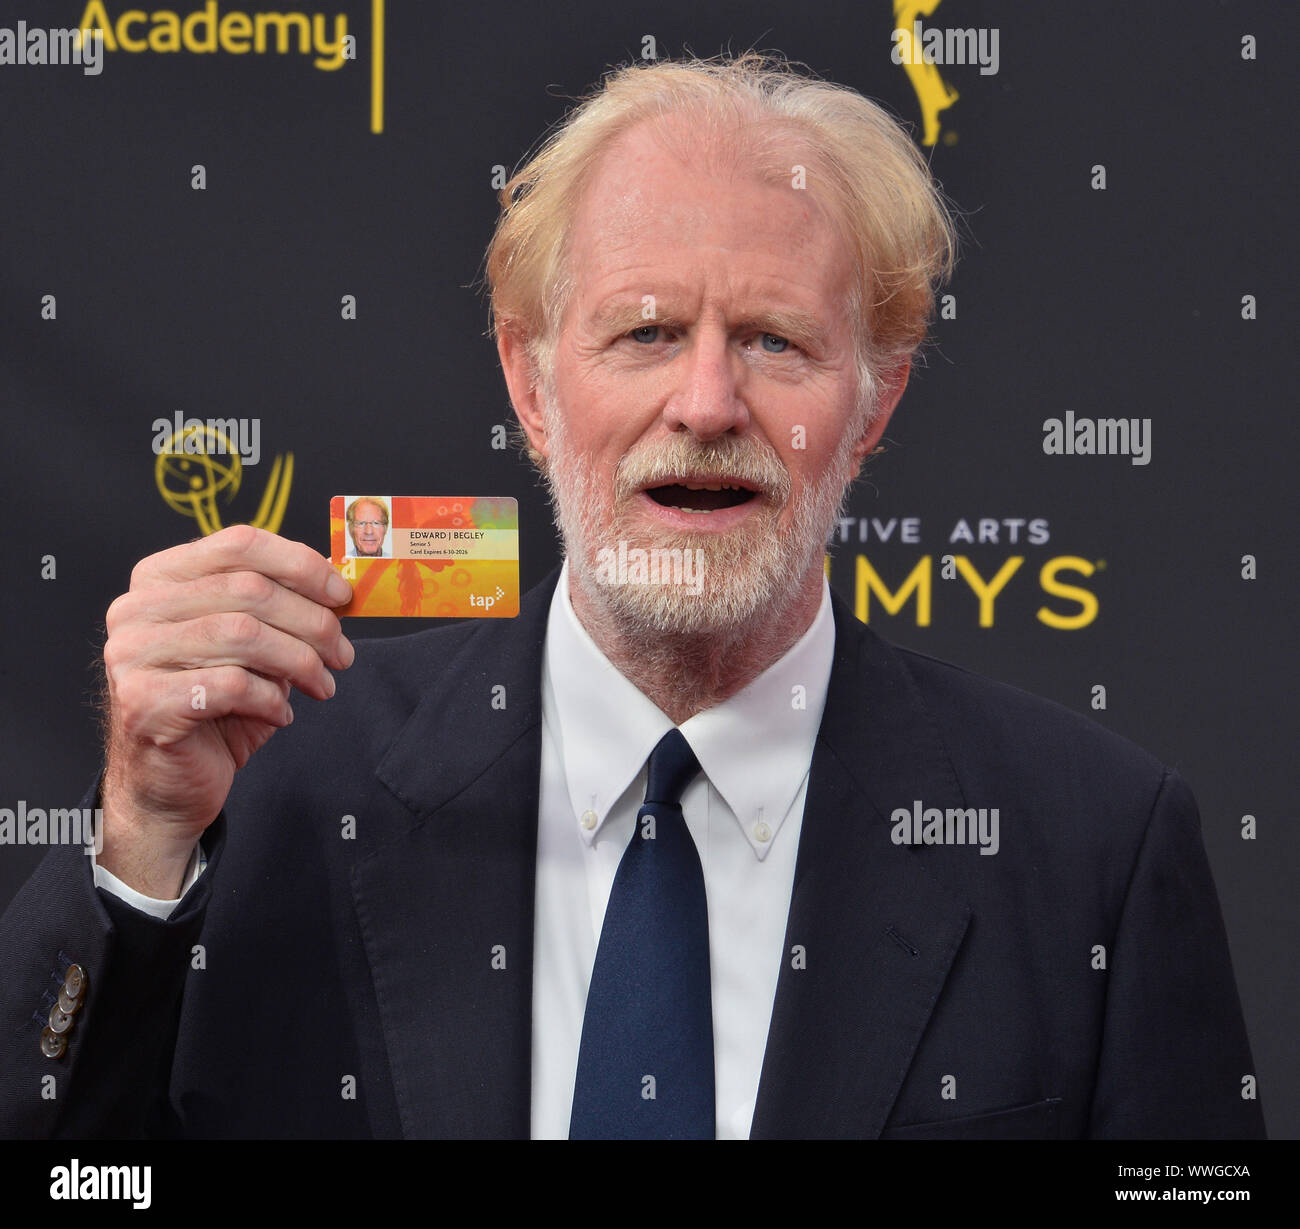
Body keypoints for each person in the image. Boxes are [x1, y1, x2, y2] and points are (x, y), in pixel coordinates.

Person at [0, 53, 1263, 1140]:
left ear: (874, 399)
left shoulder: (1093, 843)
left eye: (775, 339)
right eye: (645, 333)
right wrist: (141, 850)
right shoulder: (277, 783)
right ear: (532, 383)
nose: (708, 405)